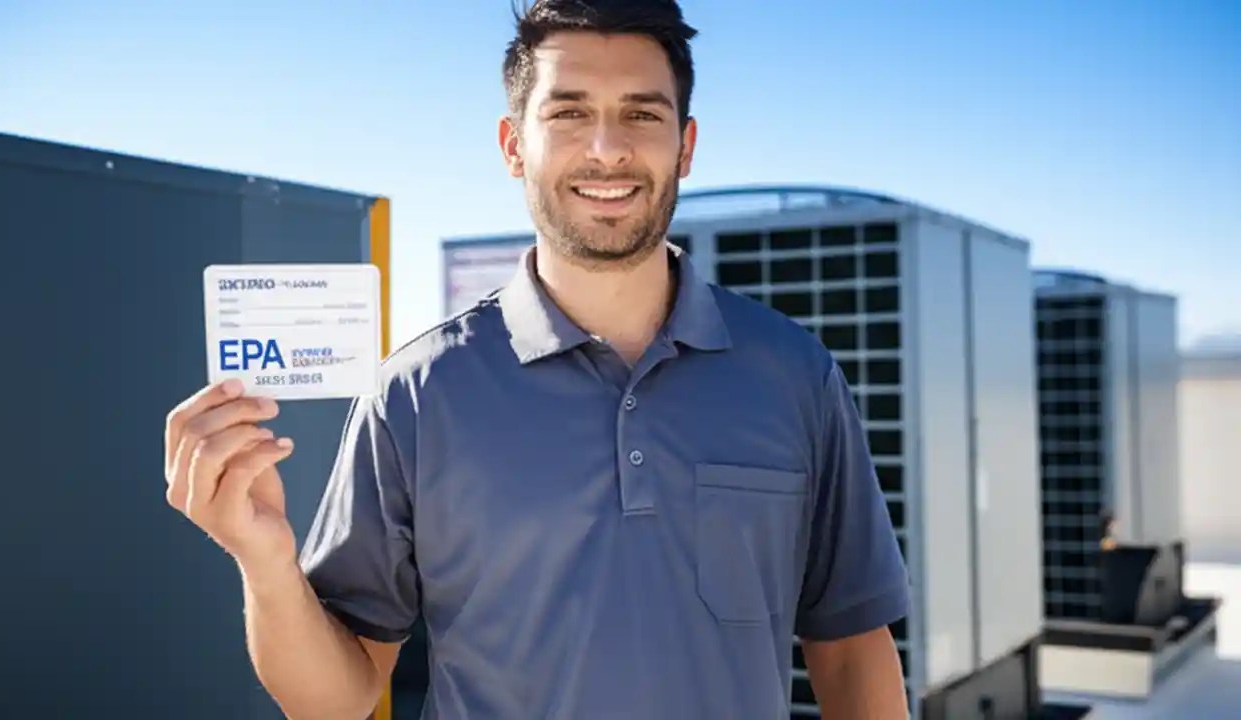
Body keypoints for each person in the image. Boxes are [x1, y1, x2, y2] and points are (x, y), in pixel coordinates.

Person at [162, 1, 911, 718]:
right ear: (514, 145)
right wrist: (264, 562)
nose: (607, 149)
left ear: (684, 145)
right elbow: (335, 700)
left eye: (642, 114)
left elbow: (849, 647)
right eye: (568, 113)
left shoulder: (795, 375)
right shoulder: (416, 395)